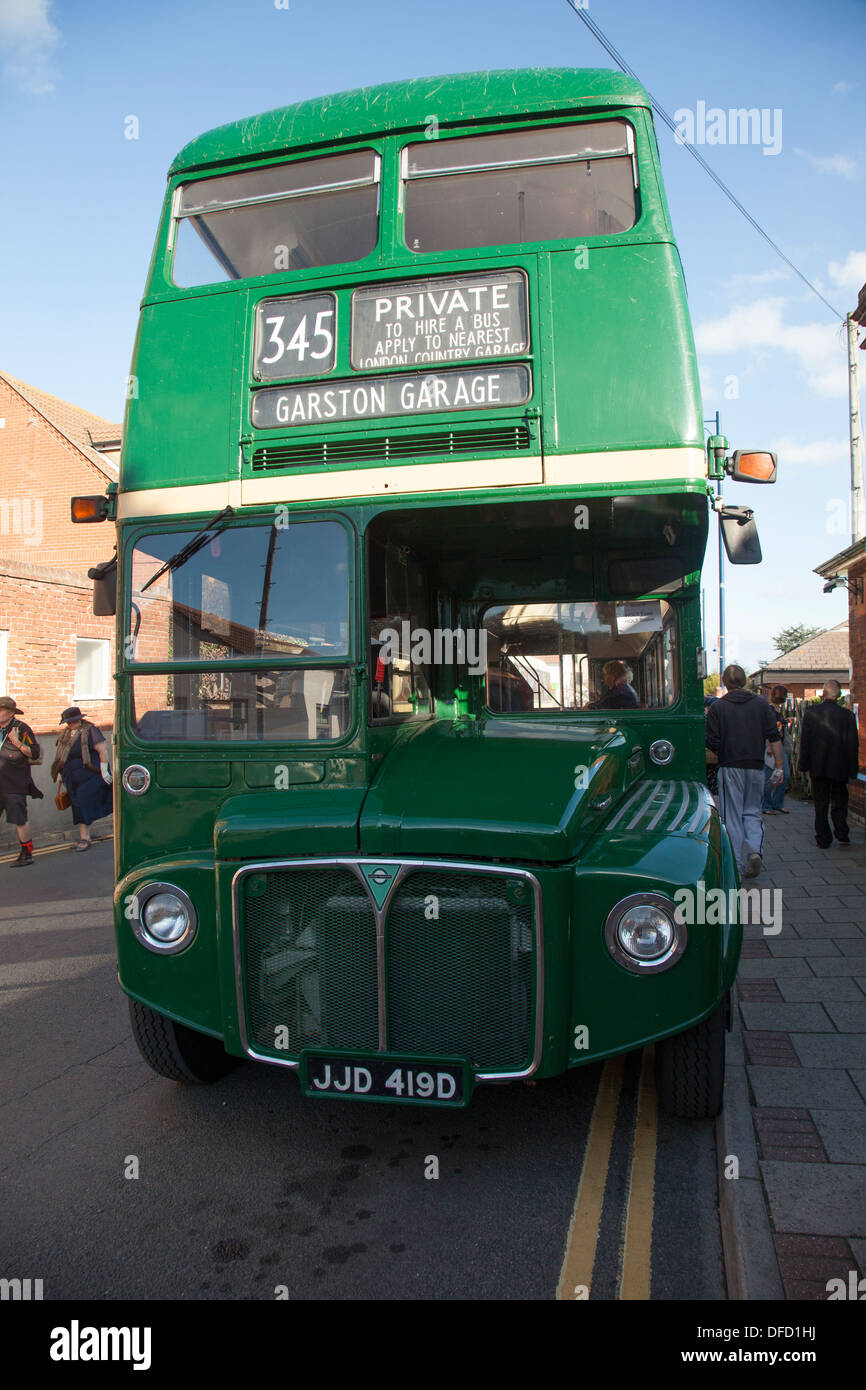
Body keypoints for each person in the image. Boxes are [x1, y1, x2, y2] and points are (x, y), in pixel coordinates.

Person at [706, 664, 783, 879]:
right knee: (752, 811)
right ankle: (755, 851)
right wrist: (779, 766)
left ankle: (737, 865)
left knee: (732, 815)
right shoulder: (761, 704)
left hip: (730, 765)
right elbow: (774, 736)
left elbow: (712, 740)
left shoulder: (718, 708)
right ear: (745, 681)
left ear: (725, 682)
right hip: (756, 766)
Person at [798, 681, 859, 848]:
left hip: (818, 765)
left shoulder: (811, 713)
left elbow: (805, 741)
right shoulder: (847, 716)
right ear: (838, 696)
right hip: (840, 766)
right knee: (840, 800)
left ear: (823, 694)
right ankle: (842, 832)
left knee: (821, 802)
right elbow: (853, 744)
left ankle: (823, 837)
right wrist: (853, 769)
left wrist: (803, 764)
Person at [50, 707, 112, 851]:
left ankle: (85, 838)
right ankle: (84, 836)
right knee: (77, 806)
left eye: (71, 722)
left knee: (83, 802)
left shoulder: (90, 731)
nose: (69, 725)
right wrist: (60, 774)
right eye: (67, 722)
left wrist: (105, 771)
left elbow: (103, 750)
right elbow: (61, 756)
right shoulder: (66, 733)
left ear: (78, 719)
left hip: (90, 775)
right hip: (70, 778)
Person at [0, 695, 42, 867]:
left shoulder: (22, 728)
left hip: (14, 783)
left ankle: (27, 853)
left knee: (19, 819)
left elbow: (34, 753)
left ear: (10, 712)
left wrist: (17, 743)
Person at [762, 684, 793, 815]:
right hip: (771, 746)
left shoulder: (777, 710)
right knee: (769, 777)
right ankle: (767, 805)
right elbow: (765, 728)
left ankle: (777, 803)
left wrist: (785, 720)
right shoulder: (769, 710)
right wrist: (768, 745)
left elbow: (778, 725)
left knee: (784, 774)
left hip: (778, 745)